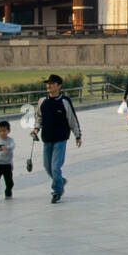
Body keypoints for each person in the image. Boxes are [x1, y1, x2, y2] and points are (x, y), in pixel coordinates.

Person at [32, 74, 81, 204]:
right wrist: (36, 129)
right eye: (48, 83)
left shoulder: (64, 101)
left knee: (55, 167)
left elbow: (72, 118)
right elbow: (39, 118)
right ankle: (60, 180)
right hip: (47, 138)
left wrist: (77, 135)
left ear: (59, 86)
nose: (49, 86)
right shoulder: (42, 101)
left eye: (52, 83)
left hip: (60, 139)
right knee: (47, 167)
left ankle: (56, 191)